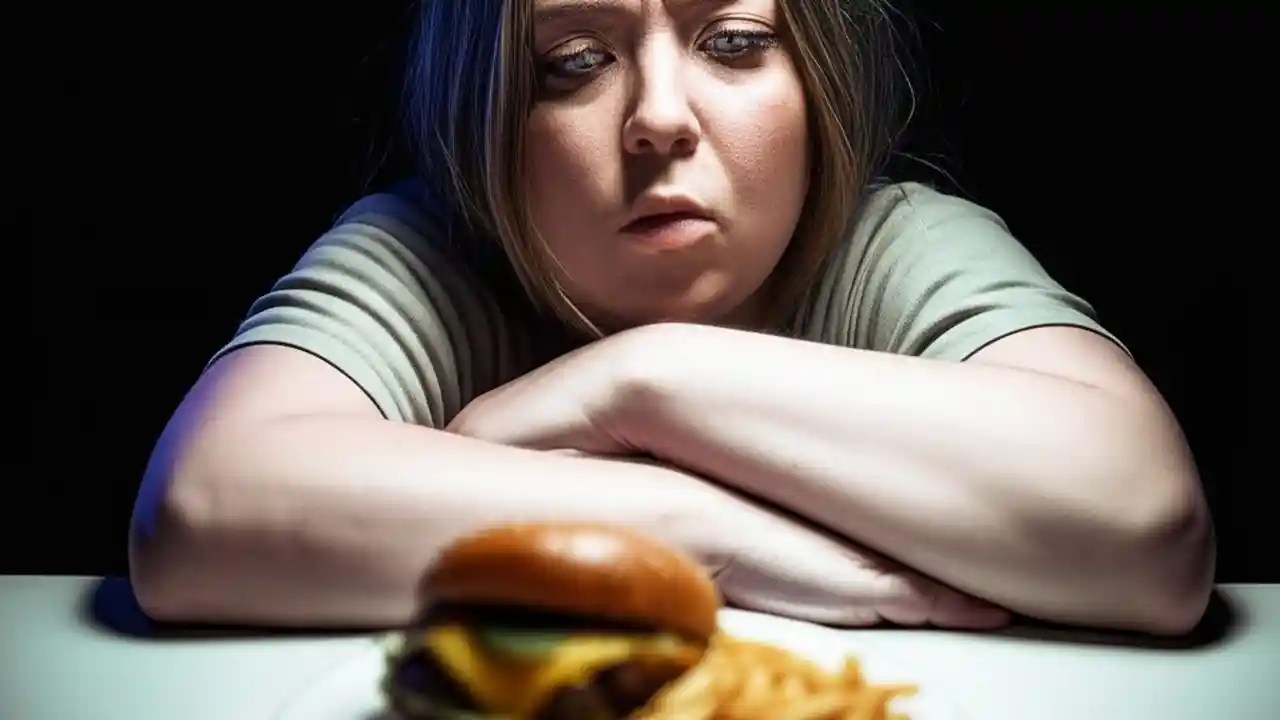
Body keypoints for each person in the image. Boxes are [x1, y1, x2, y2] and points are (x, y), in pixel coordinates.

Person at [128, 0, 1215, 636]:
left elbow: (1148, 530)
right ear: (490, 109)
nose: (658, 118)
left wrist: (641, 380)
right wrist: (701, 536)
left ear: (816, 79)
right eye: (575, 62)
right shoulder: (429, 249)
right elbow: (199, 523)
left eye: (734, 43)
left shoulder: (891, 241)